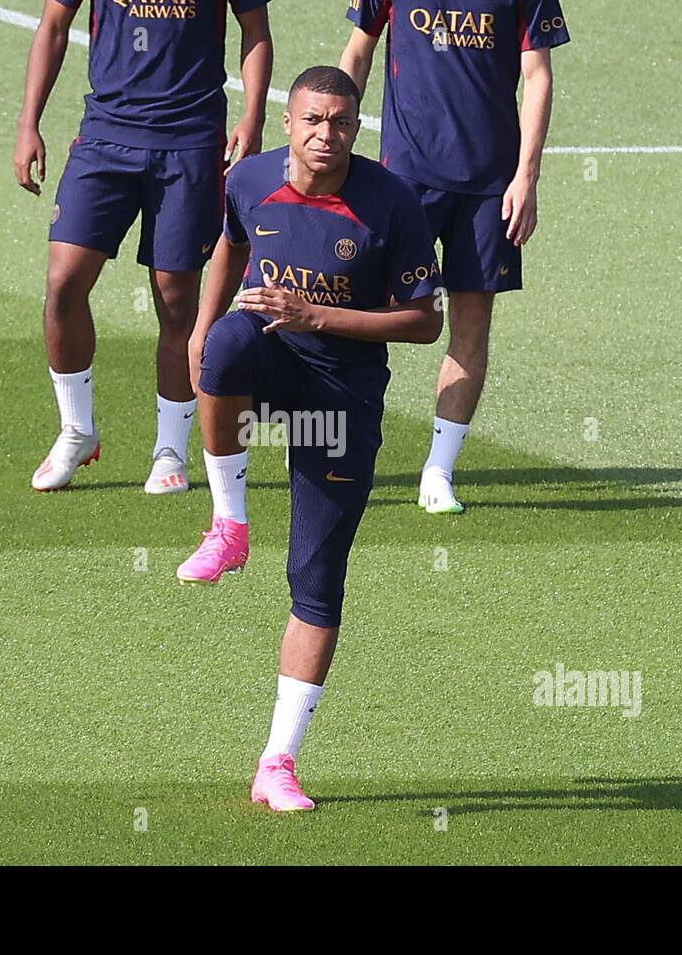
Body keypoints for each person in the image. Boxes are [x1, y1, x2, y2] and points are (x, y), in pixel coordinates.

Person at [177, 66, 444, 810]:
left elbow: (426, 321)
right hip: (269, 362)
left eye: (341, 121)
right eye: (312, 120)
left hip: (341, 396)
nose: (326, 134)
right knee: (226, 345)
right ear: (286, 122)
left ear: (358, 128)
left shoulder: (392, 203)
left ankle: (277, 762)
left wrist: (316, 316)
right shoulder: (250, 179)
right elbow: (229, 244)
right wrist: (202, 325)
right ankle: (229, 524)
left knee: (317, 579)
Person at [14, 0, 274, 494]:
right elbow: (52, 25)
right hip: (105, 137)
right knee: (64, 281)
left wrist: (253, 115)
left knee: (176, 302)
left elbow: (255, 30)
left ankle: (170, 449)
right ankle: (77, 429)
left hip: (190, 143)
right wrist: (29, 122)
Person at [339, 0, 569, 514]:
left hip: (490, 187)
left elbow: (538, 76)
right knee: (360, 306)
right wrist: (335, 144)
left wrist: (526, 177)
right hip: (403, 178)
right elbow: (357, 54)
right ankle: (343, 450)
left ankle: (439, 471)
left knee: (471, 321)